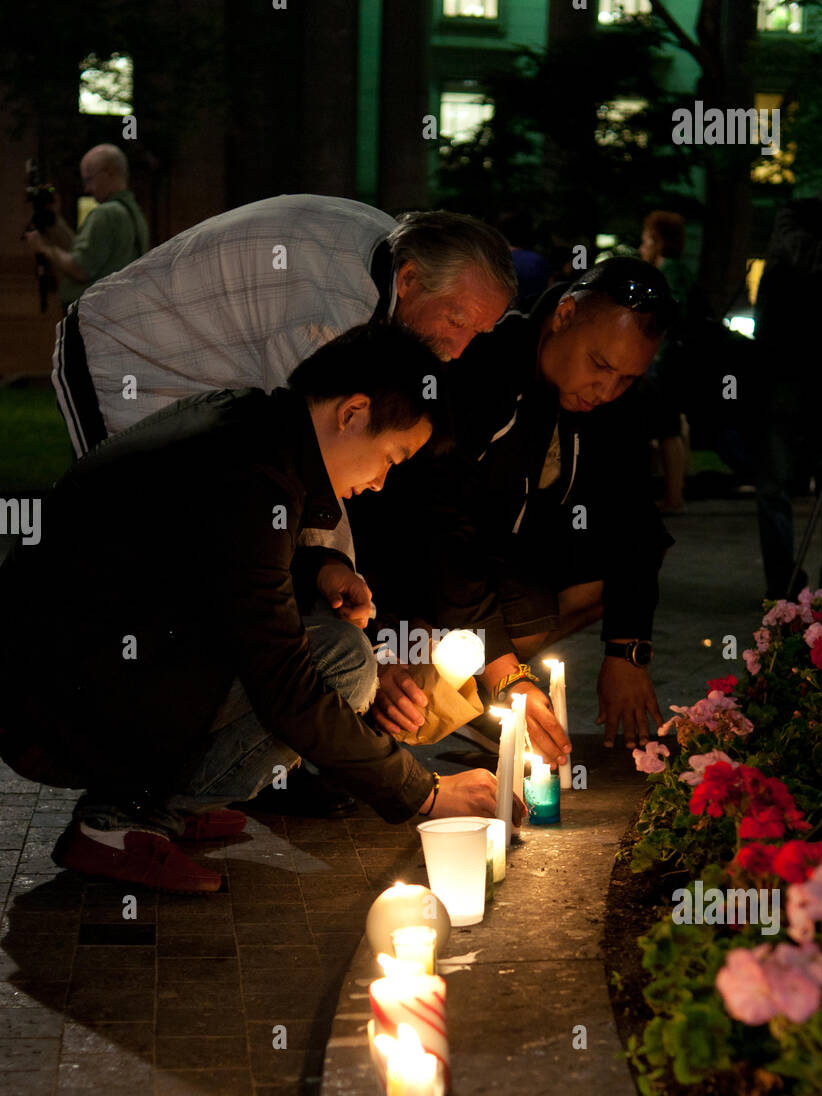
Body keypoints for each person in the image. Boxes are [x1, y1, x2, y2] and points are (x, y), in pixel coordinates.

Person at [0, 323, 516, 893]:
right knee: (341, 664)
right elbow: (283, 683)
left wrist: (317, 570)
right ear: (352, 413)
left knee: (327, 639)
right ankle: (125, 821)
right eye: (391, 457)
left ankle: (164, 796)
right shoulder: (257, 478)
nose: (379, 484)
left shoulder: (248, 425)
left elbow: (202, 560)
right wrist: (425, 791)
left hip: (60, 679)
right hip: (55, 709)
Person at [359, 257, 677, 759]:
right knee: (447, 641)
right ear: (565, 315)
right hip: (404, 561)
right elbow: (441, 529)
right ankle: (429, 687)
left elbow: (637, 522)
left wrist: (628, 650)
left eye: (627, 379)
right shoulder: (481, 367)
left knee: (603, 580)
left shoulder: (612, 404)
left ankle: (478, 699)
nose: (607, 390)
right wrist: (506, 670)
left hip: (499, 559)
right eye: (600, 366)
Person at [51, 197, 516, 459]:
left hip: (206, 378)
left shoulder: (385, 247)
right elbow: (304, 449)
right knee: (124, 523)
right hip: (119, 354)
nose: (458, 349)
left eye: (477, 332)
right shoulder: (328, 318)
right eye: (456, 321)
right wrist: (330, 561)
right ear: (411, 278)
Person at [754, 131, 822, 598]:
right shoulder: (797, 215)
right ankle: (782, 588)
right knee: (776, 483)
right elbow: (808, 260)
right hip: (787, 370)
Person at [24, 144, 149, 310]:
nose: (87, 189)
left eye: (89, 179)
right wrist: (57, 220)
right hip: (117, 312)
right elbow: (84, 252)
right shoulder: (133, 213)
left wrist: (44, 248)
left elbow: (80, 268)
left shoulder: (105, 214)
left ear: (109, 172)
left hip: (93, 316)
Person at [639, 210, 694, 515]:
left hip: (665, 359)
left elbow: (666, 316)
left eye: (646, 239)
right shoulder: (677, 269)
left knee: (667, 427)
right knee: (669, 426)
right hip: (672, 359)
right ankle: (674, 493)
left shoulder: (668, 271)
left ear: (658, 240)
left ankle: (674, 495)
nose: (642, 247)